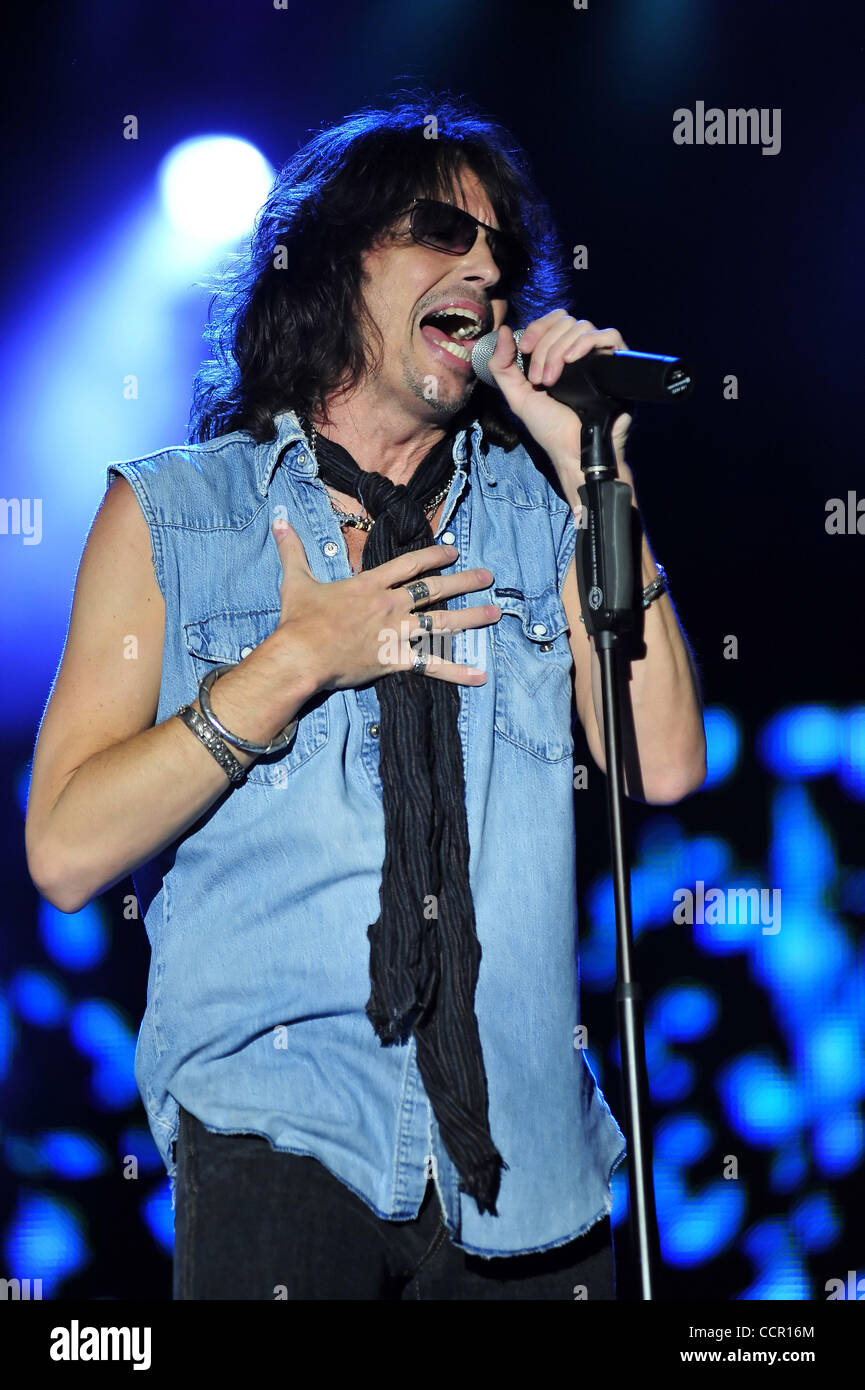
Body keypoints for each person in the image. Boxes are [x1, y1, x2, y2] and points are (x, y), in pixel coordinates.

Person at [24, 94, 706, 1300]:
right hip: (278, 1142)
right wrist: (295, 662)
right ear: (336, 262)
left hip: (531, 1174)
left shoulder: (542, 507)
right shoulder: (180, 513)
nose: (485, 268)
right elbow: (68, 847)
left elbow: (662, 763)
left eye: (500, 251)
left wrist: (589, 467)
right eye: (443, 231)